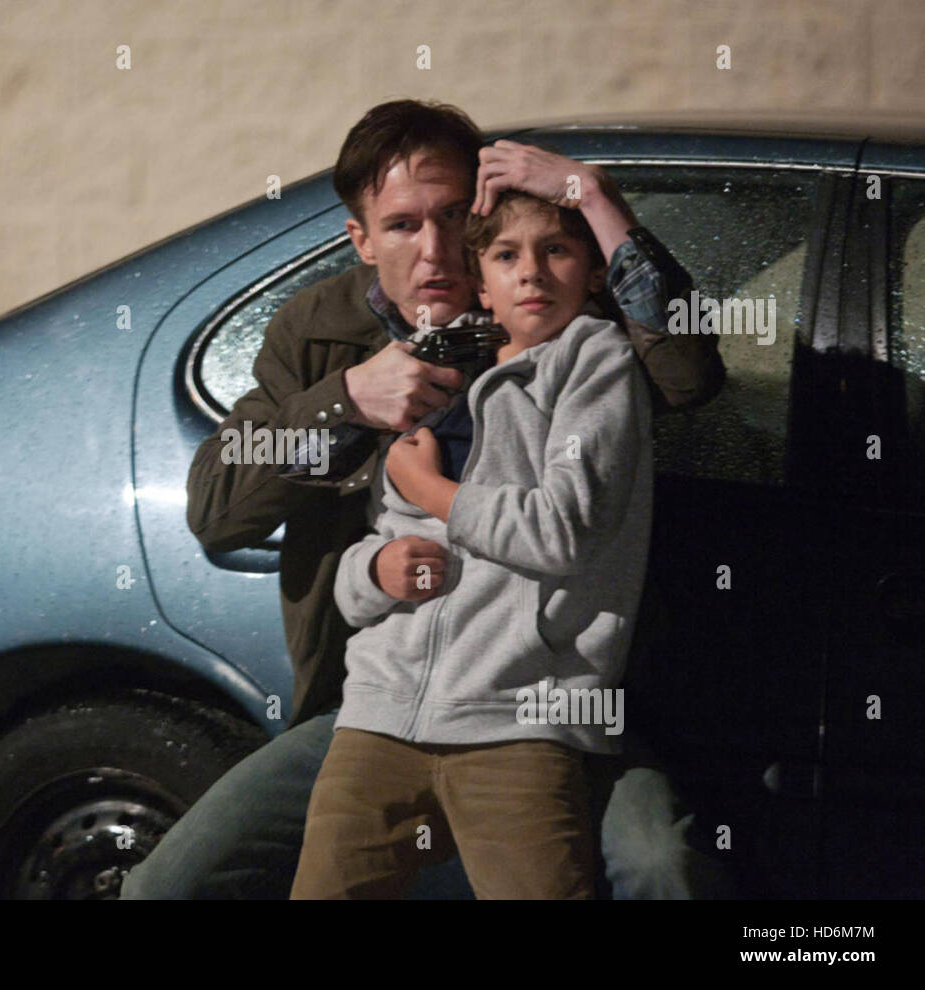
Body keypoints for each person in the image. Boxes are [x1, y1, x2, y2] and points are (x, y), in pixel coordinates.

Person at [119, 99, 727, 900]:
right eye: (403, 226)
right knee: (169, 887)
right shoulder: (319, 333)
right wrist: (345, 403)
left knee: (659, 864)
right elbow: (218, 506)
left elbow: (687, 370)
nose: (436, 251)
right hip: (378, 701)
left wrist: (589, 194)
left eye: (451, 217)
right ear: (361, 240)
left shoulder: (543, 307)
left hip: (536, 700)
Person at [290, 189, 651, 898]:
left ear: (595, 272)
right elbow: (372, 557)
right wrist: (376, 572)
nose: (533, 274)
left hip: (519, 717)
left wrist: (430, 491)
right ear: (479, 281)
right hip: (381, 712)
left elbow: (563, 532)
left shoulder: (594, 362)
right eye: (506, 255)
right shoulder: (442, 374)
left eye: (557, 250)